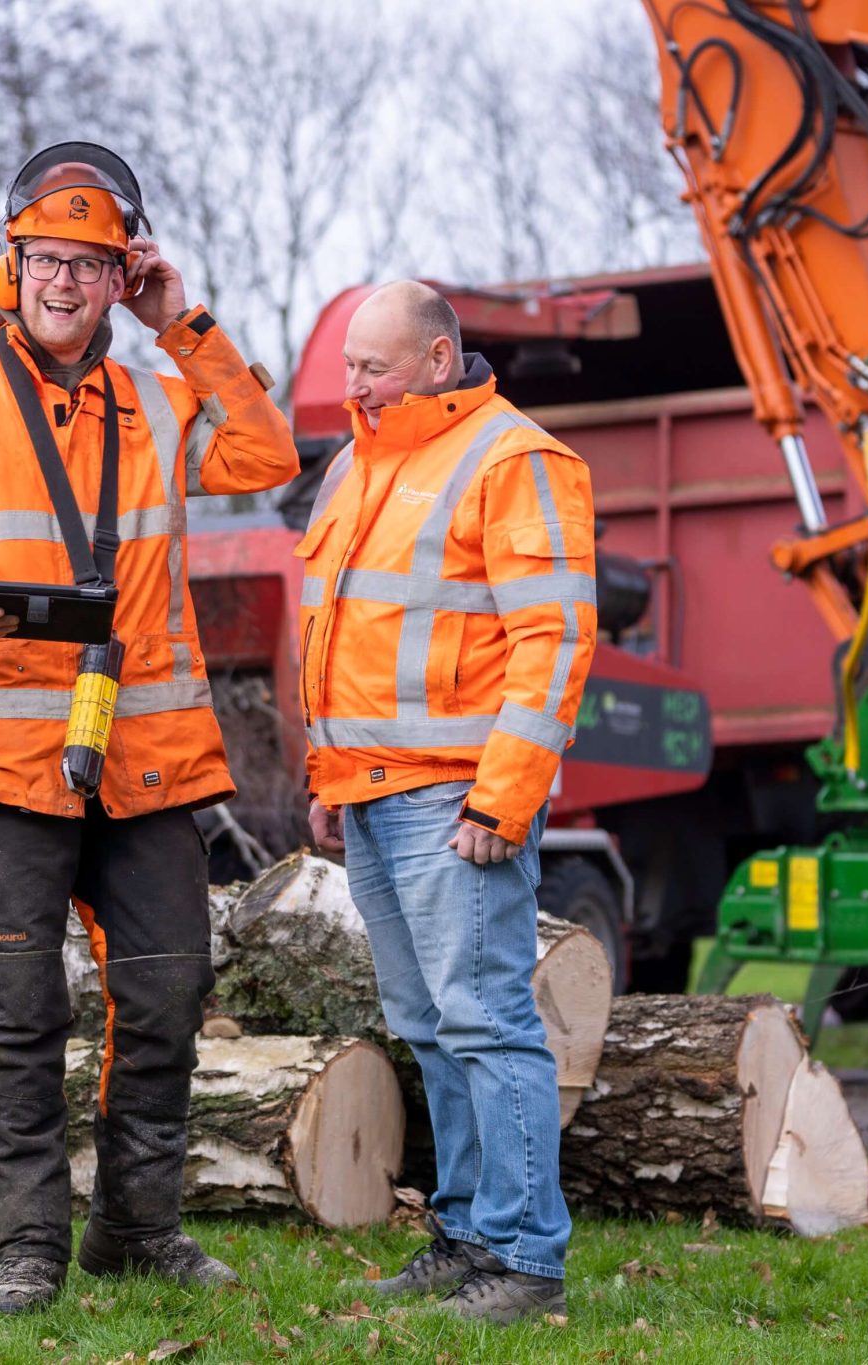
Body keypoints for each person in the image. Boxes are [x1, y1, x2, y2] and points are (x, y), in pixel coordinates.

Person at [0, 142, 297, 1314]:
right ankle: (29, 1246)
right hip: (1, 754)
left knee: (167, 993)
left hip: (146, 757)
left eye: (91, 265)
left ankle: (136, 1229)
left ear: (117, 275)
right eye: (46, 258)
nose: (64, 283)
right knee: (22, 1006)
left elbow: (265, 454)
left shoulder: (152, 390)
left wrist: (179, 319)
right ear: (11, 263)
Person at [298, 280, 596, 1323]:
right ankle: (466, 1236)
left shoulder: (515, 460)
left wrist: (501, 802)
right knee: (428, 1026)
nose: (355, 386)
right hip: (373, 793)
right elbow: (341, 635)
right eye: (347, 367)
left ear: (435, 359)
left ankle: (524, 1261)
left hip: (454, 799)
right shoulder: (355, 463)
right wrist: (326, 776)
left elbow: (551, 643)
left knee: (486, 1025)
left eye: (372, 368)